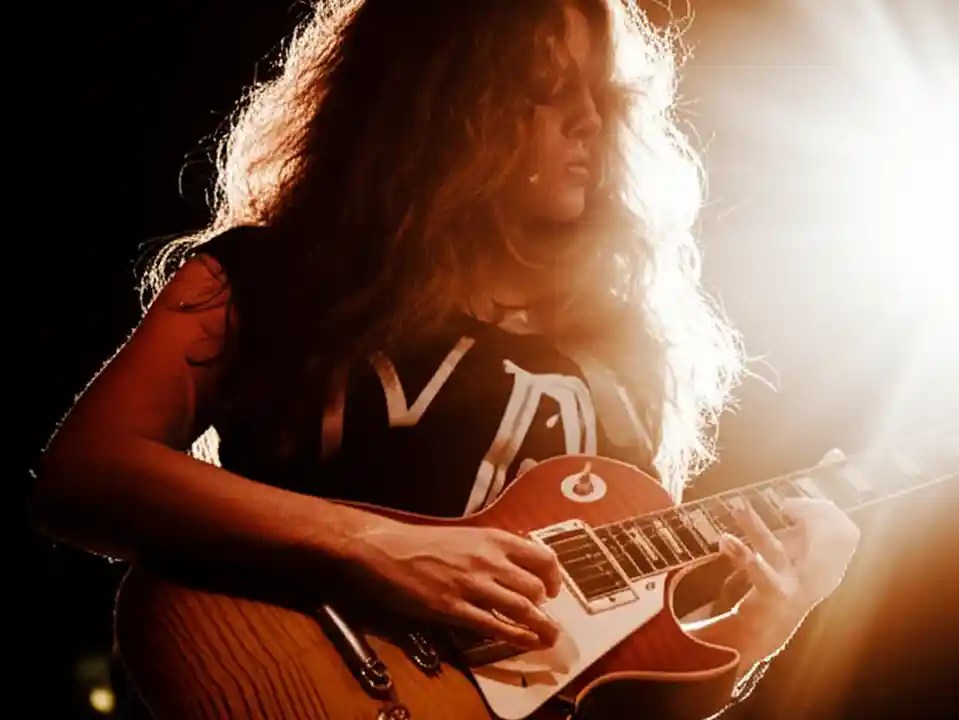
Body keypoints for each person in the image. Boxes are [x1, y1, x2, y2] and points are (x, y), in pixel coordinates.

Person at [32, 0, 860, 715]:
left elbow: (605, 689)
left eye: (601, 94)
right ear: (439, 97)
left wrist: (761, 625)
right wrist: (374, 548)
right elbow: (84, 474)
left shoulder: (626, 357)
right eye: (546, 88)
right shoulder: (268, 275)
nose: (589, 120)